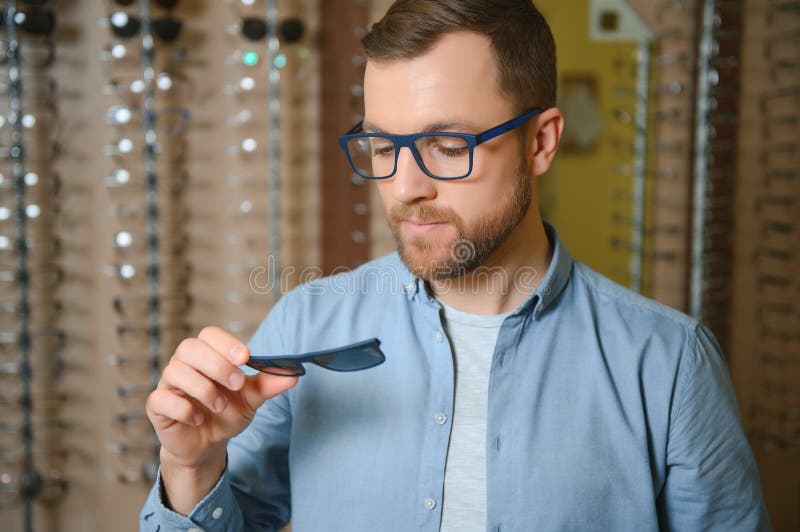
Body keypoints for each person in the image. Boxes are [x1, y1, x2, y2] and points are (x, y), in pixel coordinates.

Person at [140, 1, 771, 530]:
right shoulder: (306, 325)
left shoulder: (669, 366)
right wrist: (192, 468)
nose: (405, 186)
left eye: (447, 146)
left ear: (541, 142)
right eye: (383, 145)